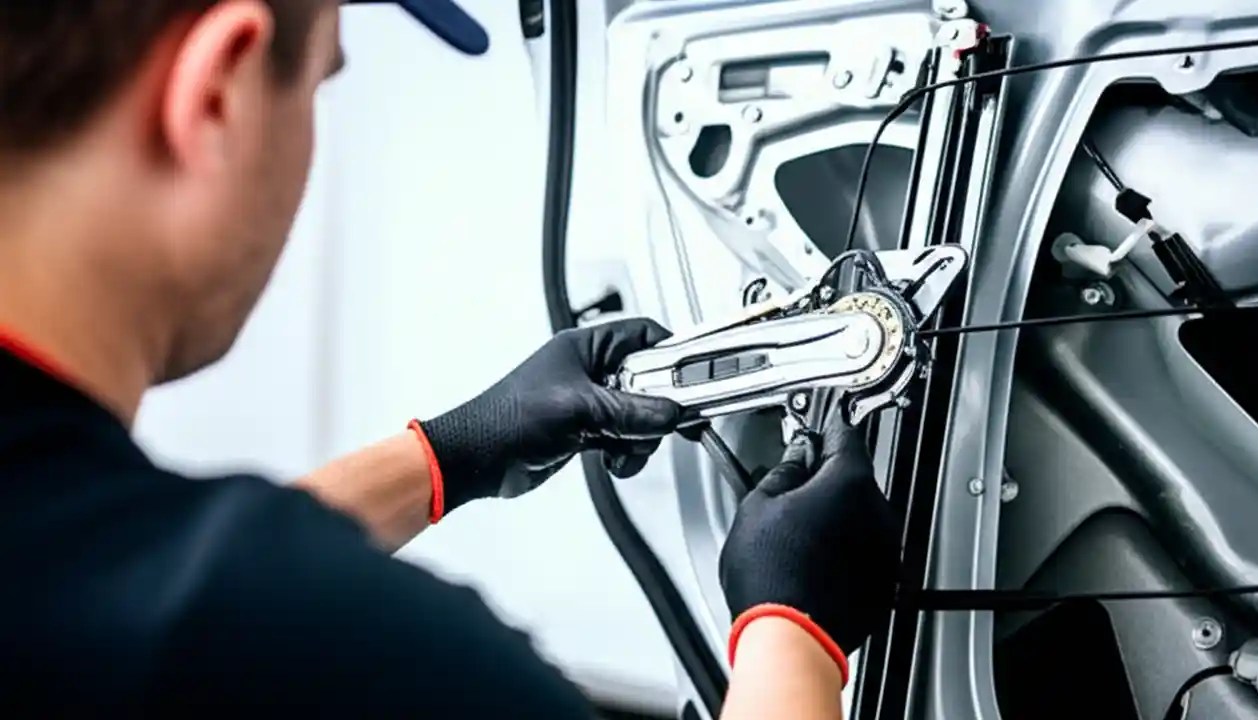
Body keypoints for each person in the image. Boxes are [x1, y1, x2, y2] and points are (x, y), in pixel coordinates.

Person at [0, 1, 901, 717]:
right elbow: (212, 609)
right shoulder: (361, 663)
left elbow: (136, 570)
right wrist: (793, 639)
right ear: (220, 91)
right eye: (321, 84)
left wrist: (450, 452)